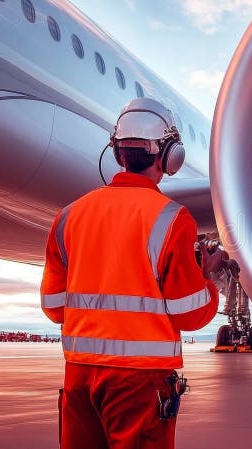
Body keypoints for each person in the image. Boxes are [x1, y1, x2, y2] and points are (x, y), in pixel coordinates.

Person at [40, 98, 226, 449]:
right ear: (170, 155)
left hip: (79, 375)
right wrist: (208, 277)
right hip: (140, 380)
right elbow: (189, 313)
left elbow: (53, 308)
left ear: (117, 152)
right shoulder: (172, 219)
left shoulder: (68, 216)